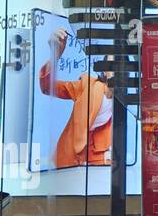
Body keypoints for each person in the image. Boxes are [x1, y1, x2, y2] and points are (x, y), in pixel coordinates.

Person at [38, 26, 115, 169]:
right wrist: (55, 55)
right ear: (104, 70)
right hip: (69, 159)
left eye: (121, 65)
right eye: (112, 64)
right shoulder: (87, 85)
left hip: (98, 161)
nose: (117, 69)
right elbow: (47, 87)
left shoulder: (127, 102)